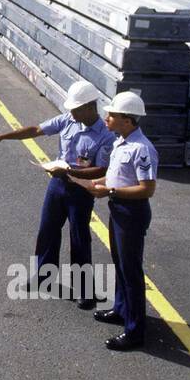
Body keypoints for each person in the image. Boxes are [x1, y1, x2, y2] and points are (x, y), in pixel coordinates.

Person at [0, 80, 113, 308]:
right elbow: (36, 130)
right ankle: (44, 276)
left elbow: (102, 169)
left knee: (79, 237)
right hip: (57, 185)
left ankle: (84, 290)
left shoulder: (105, 136)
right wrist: (3, 136)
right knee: (47, 230)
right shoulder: (67, 121)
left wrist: (70, 171)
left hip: (80, 190)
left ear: (91, 107)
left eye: (76, 108)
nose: (71, 112)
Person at [69, 91, 158, 351]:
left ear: (127, 120)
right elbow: (117, 176)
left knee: (131, 272)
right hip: (119, 209)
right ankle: (121, 309)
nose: (106, 118)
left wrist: (109, 191)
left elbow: (146, 188)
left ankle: (134, 330)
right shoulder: (121, 142)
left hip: (132, 213)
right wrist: (96, 182)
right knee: (119, 264)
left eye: (112, 115)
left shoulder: (142, 150)